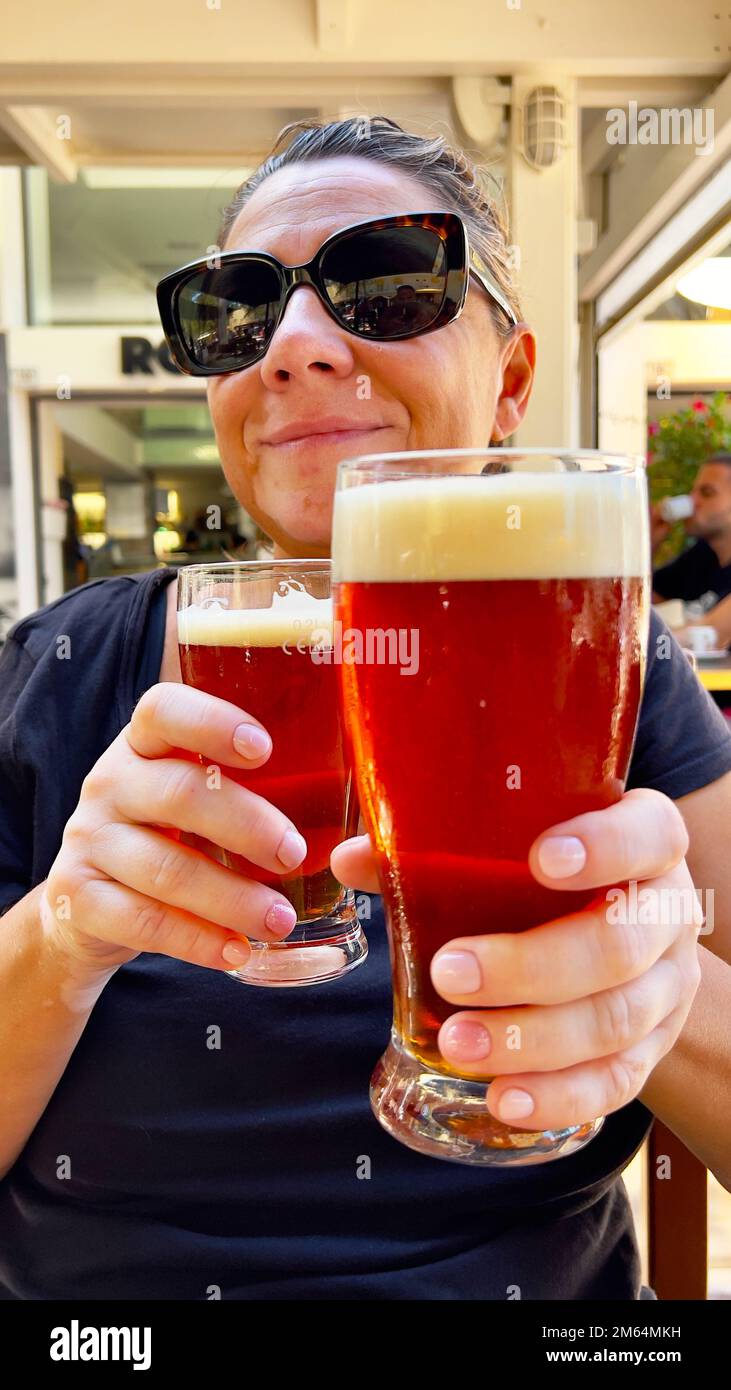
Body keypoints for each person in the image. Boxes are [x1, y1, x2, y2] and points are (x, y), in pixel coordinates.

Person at [1, 115, 730, 1302]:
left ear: (511, 380)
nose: (293, 346)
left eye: (386, 283)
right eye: (238, 311)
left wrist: (656, 992)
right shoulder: (59, 666)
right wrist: (63, 935)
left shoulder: (603, 656)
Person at [652, 452, 731, 612]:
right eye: (693, 491)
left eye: (707, 492)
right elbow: (645, 600)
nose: (692, 500)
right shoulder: (702, 555)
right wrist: (651, 542)